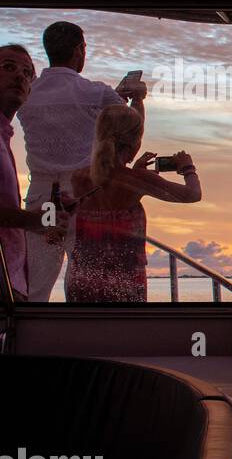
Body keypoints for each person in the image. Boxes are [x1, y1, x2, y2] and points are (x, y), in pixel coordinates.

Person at [17, 21, 147, 302]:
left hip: (41, 196)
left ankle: (24, 340)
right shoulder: (96, 93)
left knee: (35, 284)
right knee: (82, 278)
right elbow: (130, 134)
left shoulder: (28, 92)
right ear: (79, 50)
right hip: (84, 196)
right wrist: (137, 100)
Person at [65, 106, 200, 303]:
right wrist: (187, 167)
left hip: (82, 280)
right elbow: (192, 194)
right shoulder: (137, 180)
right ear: (135, 143)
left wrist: (136, 172)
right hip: (123, 284)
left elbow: (107, 188)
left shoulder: (79, 177)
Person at [0, 44, 68, 301]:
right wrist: (35, 221)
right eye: (8, 67)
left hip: (11, 283)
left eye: (28, 73)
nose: (20, 76)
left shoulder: (5, 135)